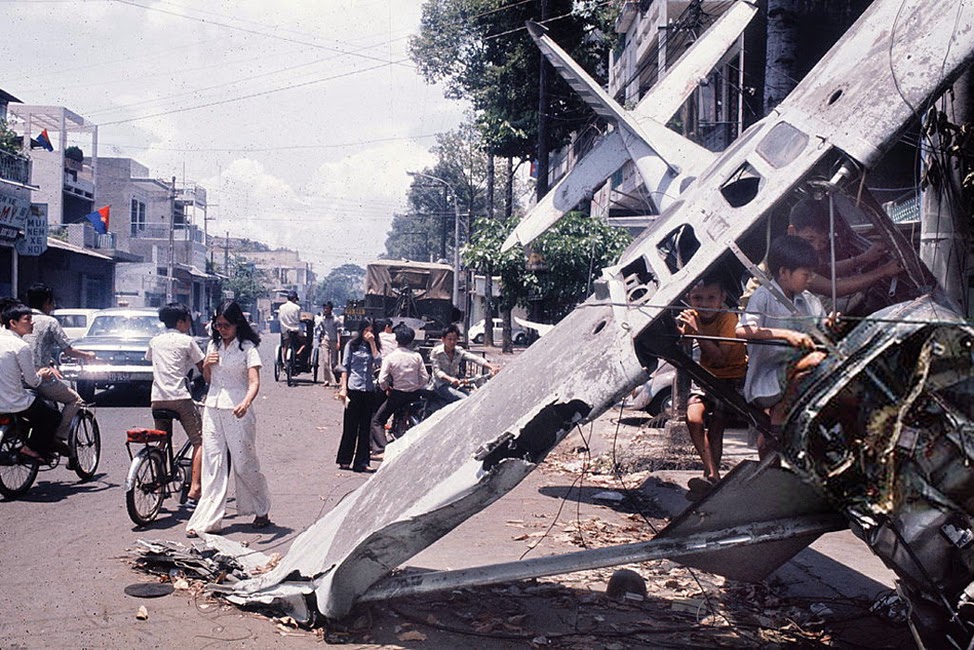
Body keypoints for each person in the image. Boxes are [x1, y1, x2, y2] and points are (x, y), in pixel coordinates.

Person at [736, 236, 828, 457]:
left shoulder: (809, 300)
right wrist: (786, 335)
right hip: (765, 383)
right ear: (784, 272)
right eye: (806, 274)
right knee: (813, 361)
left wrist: (830, 327)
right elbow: (742, 330)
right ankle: (779, 411)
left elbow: (822, 330)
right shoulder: (763, 296)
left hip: (796, 379)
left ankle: (771, 453)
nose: (810, 279)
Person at [186, 300, 271, 537]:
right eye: (218, 325)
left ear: (237, 324)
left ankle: (261, 509)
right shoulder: (213, 345)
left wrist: (246, 402)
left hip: (237, 409)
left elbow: (254, 382)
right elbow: (209, 379)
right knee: (213, 463)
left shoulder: (247, 348)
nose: (222, 329)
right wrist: (206, 365)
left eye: (226, 325)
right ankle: (207, 520)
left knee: (244, 462)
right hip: (213, 407)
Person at [675, 275, 748, 487]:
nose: (704, 304)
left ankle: (711, 476)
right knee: (693, 419)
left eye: (711, 298)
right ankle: (711, 472)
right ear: (688, 298)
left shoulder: (728, 319)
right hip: (706, 377)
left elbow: (720, 357)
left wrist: (697, 330)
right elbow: (683, 340)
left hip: (731, 378)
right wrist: (678, 329)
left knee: (716, 428)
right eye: (698, 298)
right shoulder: (692, 316)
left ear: (722, 297)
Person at [23, 283, 96, 447]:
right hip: (38, 377)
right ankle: (57, 437)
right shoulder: (50, 321)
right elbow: (68, 350)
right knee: (75, 400)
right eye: (52, 301)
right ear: (47, 302)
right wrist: (87, 355)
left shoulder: (19, 319)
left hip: (15, 377)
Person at [146, 302, 205, 501]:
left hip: (158, 399)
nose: (189, 324)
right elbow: (202, 367)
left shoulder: (155, 341)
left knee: (161, 440)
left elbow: (150, 358)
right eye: (187, 320)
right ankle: (195, 488)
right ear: (180, 322)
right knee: (199, 441)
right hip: (180, 397)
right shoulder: (187, 341)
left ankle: (160, 485)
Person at [0, 301, 61, 460]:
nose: (32, 323)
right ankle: (32, 448)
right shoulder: (21, 346)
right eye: (27, 319)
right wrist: (42, 374)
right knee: (53, 416)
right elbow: (33, 382)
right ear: (13, 323)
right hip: (13, 402)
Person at [369, 325, 429, 456]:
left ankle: (382, 448)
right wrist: (416, 386)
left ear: (396, 339)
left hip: (397, 394)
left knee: (377, 421)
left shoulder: (391, 357)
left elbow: (382, 380)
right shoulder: (417, 356)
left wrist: (387, 388)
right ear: (411, 340)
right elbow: (425, 377)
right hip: (414, 394)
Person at [336, 318, 381, 472]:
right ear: (361, 330)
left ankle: (362, 462)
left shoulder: (373, 346)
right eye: (366, 330)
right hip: (354, 388)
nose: (368, 333)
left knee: (365, 428)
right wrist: (343, 388)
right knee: (350, 426)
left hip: (368, 389)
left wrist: (372, 343)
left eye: (371, 330)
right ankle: (344, 459)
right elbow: (345, 367)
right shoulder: (352, 345)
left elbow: (378, 361)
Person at [428, 324, 499, 405]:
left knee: (472, 397)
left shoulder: (459, 351)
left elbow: (474, 358)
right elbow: (437, 371)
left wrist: (491, 367)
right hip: (439, 385)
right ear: (443, 339)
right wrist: (450, 379)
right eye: (449, 339)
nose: (452, 342)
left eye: (454, 339)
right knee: (465, 400)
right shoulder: (436, 352)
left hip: (455, 383)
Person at [313, 301, 340, 386]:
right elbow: (320, 330)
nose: (325, 310)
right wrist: (320, 339)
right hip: (325, 340)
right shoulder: (322, 320)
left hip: (334, 340)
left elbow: (339, 331)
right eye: (324, 308)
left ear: (330, 309)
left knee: (333, 362)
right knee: (325, 361)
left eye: (327, 308)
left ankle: (336, 374)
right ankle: (327, 380)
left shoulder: (336, 320)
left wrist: (338, 342)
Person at [278, 291, 303, 364]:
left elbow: (279, 318)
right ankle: (299, 352)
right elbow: (298, 319)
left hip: (285, 330)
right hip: (295, 329)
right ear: (294, 299)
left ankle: (285, 363)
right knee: (305, 342)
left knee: (285, 345)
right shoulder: (297, 308)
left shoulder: (281, 307)